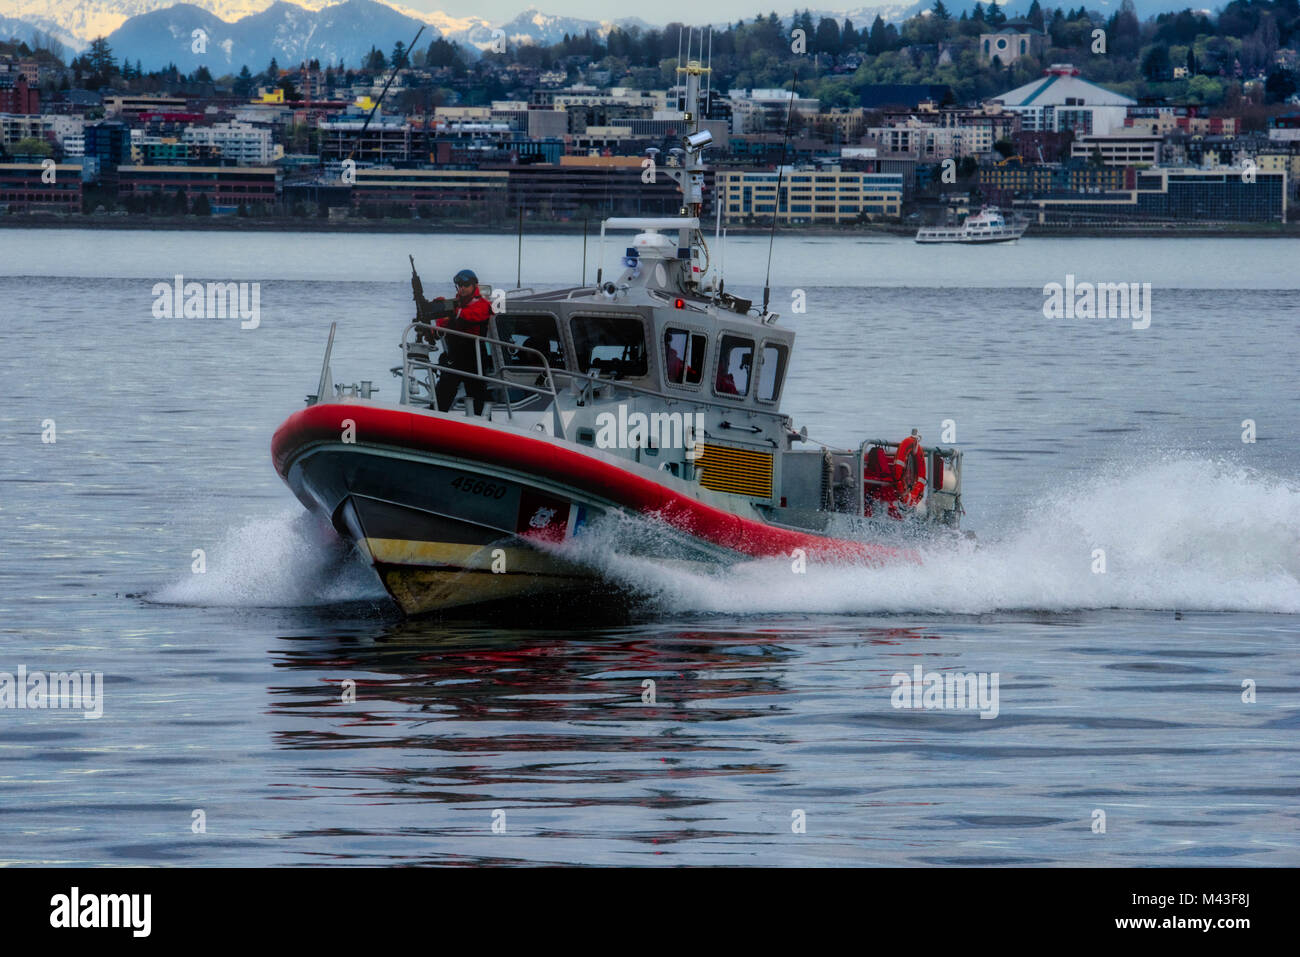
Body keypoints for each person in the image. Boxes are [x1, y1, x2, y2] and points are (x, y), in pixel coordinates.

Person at [432, 268, 492, 414]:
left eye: (466, 285)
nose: (462, 288)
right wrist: (439, 313)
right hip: (455, 355)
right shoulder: (454, 304)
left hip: (474, 355)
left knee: (477, 391)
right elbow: (441, 326)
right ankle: (436, 416)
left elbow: (475, 315)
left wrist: (453, 312)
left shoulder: (482, 303)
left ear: (474, 285)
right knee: (445, 388)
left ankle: (482, 420)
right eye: (460, 285)